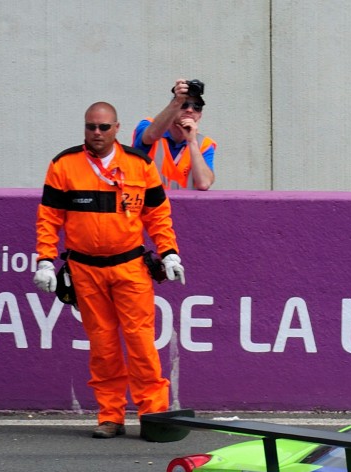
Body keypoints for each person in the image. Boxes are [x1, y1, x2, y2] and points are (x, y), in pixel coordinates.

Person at [33, 101, 186, 439]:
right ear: (85, 128)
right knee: (102, 346)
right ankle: (110, 415)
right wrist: (45, 259)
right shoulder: (64, 165)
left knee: (141, 343)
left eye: (103, 127)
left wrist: (170, 253)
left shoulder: (140, 165)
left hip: (130, 267)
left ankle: (153, 414)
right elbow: (49, 217)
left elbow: (158, 216)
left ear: (117, 128)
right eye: (91, 127)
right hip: (85, 270)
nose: (97, 133)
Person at [132, 78, 216, 190]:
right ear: (174, 107)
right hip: (149, 206)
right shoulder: (148, 125)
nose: (190, 110)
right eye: (184, 105)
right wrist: (177, 101)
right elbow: (151, 136)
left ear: (200, 115)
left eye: (197, 107)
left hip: (184, 207)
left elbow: (204, 183)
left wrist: (192, 141)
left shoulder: (204, 144)